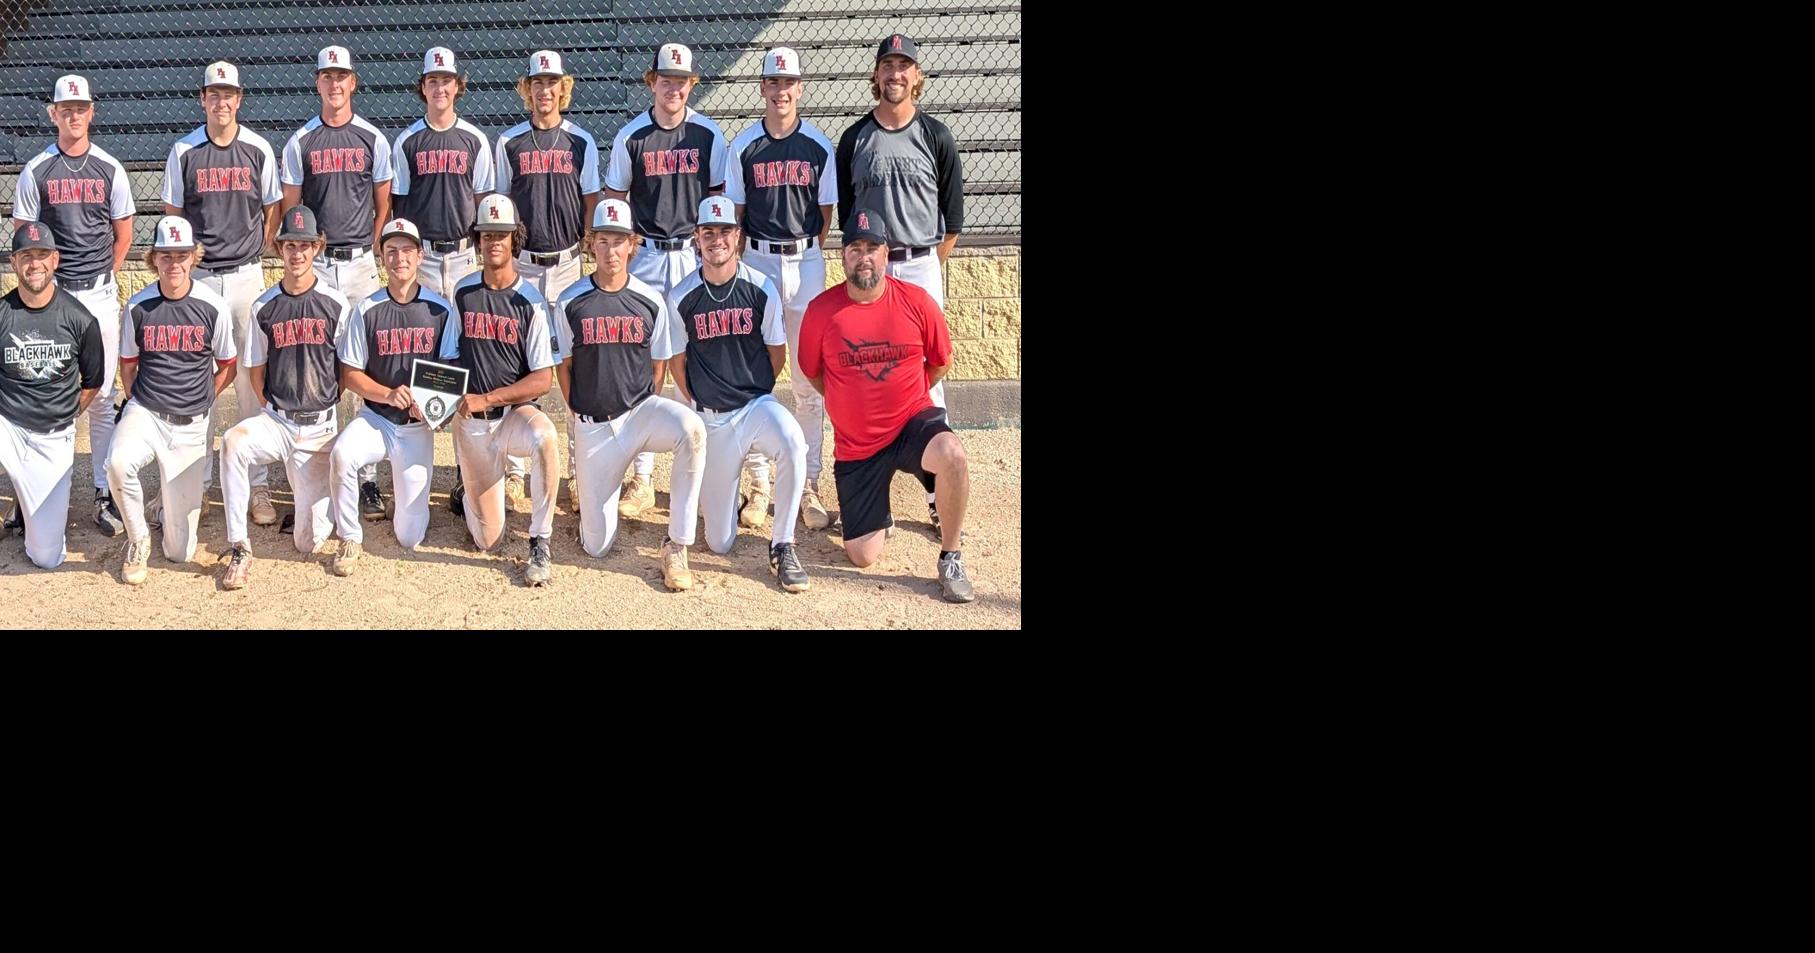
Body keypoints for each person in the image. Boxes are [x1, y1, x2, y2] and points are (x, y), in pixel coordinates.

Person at [796, 210, 975, 603]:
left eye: (872, 248)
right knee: (862, 555)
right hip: (858, 447)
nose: (864, 257)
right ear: (842, 256)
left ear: (886, 254)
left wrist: (908, 396)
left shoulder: (916, 301)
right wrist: (849, 403)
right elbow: (813, 373)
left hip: (911, 424)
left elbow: (941, 361)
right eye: (855, 248)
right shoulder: (821, 311)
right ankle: (880, 509)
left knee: (952, 454)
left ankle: (951, 556)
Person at [835, 33, 966, 534]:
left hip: (919, 263)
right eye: (887, 65)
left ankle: (936, 491)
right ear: (876, 75)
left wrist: (922, 267)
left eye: (904, 65)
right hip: (873, 267)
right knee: (870, 377)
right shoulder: (855, 138)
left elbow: (952, 219)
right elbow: (849, 217)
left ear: (917, 76)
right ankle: (878, 495)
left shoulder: (936, 135)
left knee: (928, 377)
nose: (895, 73)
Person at [602, 41, 729, 522]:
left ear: (691, 84)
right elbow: (615, 202)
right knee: (647, 362)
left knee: (698, 359)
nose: (673, 87)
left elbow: (718, 202)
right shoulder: (632, 136)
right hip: (649, 255)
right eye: (665, 79)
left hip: (693, 254)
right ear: (652, 81)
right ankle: (642, 475)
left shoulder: (708, 135)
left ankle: (699, 472)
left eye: (682, 80)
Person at [552, 198, 706, 591]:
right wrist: (580, 410)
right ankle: (599, 498)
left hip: (638, 416)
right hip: (594, 428)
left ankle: (677, 544)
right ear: (591, 244)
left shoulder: (650, 299)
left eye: (619, 241)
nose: (611, 250)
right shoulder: (570, 300)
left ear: (632, 245)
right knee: (596, 546)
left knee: (691, 429)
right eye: (603, 240)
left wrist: (643, 411)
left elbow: (658, 367)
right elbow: (564, 366)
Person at [160, 60, 284, 527]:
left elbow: (273, 210)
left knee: (251, 377)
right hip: (203, 277)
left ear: (239, 98)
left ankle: (257, 484)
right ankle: (197, 481)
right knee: (199, 377)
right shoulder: (184, 151)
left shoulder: (258, 148)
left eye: (228, 94)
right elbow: (173, 216)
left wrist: (256, 249)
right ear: (203, 99)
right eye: (213, 94)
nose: (221, 101)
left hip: (247, 275)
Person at [10, 73, 134, 537]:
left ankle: (103, 491)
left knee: (100, 395)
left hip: (98, 292)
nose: (74, 115)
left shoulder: (109, 167)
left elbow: (123, 234)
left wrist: (105, 275)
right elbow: (25, 238)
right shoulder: (37, 169)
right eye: (66, 109)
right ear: (54, 114)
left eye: (81, 108)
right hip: (54, 294)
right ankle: (28, 493)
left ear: (91, 112)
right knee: (40, 387)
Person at [667, 198, 809, 592]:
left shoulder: (761, 288)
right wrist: (703, 399)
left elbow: (776, 355)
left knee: (792, 440)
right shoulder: (680, 296)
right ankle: (724, 496)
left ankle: (783, 545)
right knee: (719, 542)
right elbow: (678, 362)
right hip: (712, 417)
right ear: (697, 238)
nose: (717, 239)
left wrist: (751, 390)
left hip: (754, 407)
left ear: (738, 236)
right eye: (708, 232)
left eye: (725, 231)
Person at [725, 46, 839, 532]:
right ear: (762, 88)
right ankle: (758, 484)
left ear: (800, 88)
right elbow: (736, 213)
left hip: (804, 261)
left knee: (809, 378)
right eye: (773, 82)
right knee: (755, 376)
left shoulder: (818, 146)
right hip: (757, 258)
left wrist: (802, 253)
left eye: (788, 82)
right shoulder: (744, 146)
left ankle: (808, 482)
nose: (781, 91)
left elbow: (825, 216)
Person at [215, 206, 351, 589]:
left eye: (305, 245)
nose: (297, 253)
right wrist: (277, 409)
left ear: (317, 247)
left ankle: (319, 499)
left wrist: (321, 404)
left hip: (320, 429)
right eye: (290, 245)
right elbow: (256, 372)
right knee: (233, 442)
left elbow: (344, 371)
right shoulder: (264, 305)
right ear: (279, 249)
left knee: (307, 542)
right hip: (278, 421)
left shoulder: (336, 303)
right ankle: (239, 546)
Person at [491, 48, 600, 516]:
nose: (544, 91)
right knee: (519, 364)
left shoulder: (581, 142)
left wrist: (591, 246)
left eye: (552, 83)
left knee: (574, 366)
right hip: (525, 263)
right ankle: (516, 471)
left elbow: (591, 201)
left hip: (568, 262)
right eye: (537, 83)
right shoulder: (509, 142)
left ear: (563, 88)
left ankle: (577, 471)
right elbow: (499, 204)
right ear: (527, 90)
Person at [107, 215, 238, 585]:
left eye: (182, 255)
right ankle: (137, 540)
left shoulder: (213, 305)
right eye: (166, 255)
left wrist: (204, 396)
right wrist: (137, 403)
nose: (174, 263)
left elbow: (228, 365)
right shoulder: (139, 305)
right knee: (117, 462)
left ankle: (164, 509)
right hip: (147, 411)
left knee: (179, 552)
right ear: (154, 259)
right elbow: (128, 365)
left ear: (194, 257)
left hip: (190, 424)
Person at [440, 194, 562, 586]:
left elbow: (542, 379)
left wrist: (490, 397)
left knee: (546, 438)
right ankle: (469, 489)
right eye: (487, 234)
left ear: (515, 239)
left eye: (502, 234)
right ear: (477, 239)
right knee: (488, 540)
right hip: (473, 423)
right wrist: (439, 398)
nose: (494, 241)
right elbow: (448, 355)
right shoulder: (463, 291)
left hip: (513, 415)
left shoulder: (530, 300)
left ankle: (540, 540)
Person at [326, 218, 452, 575]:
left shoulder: (440, 309)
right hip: (376, 418)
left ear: (420, 256)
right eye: (392, 251)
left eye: (407, 250)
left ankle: (404, 496)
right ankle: (350, 536)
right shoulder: (367, 308)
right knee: (342, 454)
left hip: (416, 427)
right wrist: (387, 393)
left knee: (410, 537)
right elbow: (350, 374)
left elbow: (450, 366)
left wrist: (434, 406)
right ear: (381, 257)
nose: (400, 258)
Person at [0, 222, 106, 569]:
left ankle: (26, 505)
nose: (35, 264)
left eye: (42, 255)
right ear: (13, 263)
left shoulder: (80, 319)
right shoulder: (2, 315)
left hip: (53, 436)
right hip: (8, 427)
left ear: (55, 259)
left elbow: (93, 381)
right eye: (26, 256)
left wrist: (65, 414)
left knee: (46, 557)